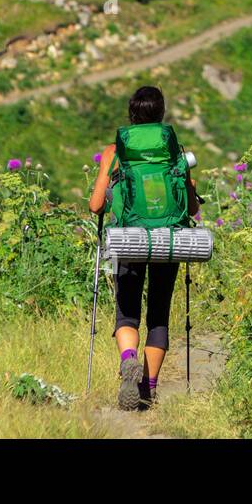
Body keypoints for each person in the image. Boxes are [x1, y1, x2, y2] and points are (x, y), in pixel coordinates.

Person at [88, 86, 199, 410]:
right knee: (159, 315)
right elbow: (191, 210)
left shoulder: (114, 152)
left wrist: (111, 194)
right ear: (162, 115)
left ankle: (127, 359)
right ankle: (148, 391)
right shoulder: (176, 151)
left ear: (131, 115)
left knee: (127, 311)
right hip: (167, 242)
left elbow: (96, 206)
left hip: (128, 239)